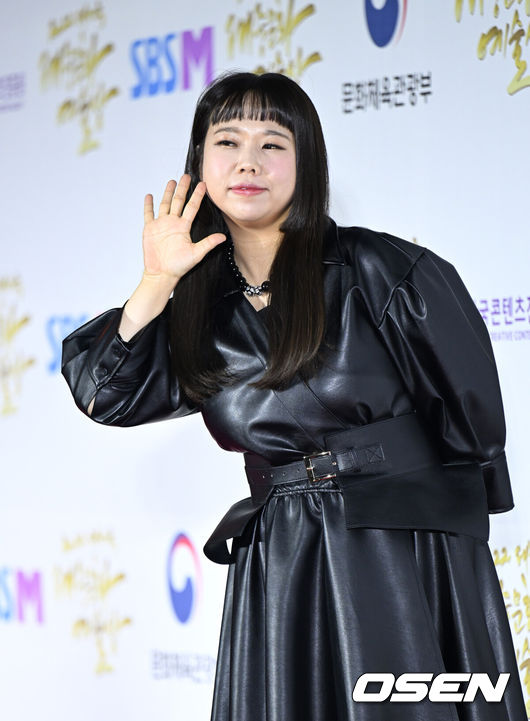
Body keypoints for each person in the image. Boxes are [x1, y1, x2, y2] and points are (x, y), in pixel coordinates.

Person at [61, 71, 527, 721]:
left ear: (306, 161)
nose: (248, 161)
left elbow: (473, 422)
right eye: (227, 141)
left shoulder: (380, 269)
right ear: (200, 162)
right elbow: (103, 394)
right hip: (283, 556)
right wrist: (157, 280)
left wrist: (440, 553)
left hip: (399, 545)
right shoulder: (196, 307)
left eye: (272, 144)